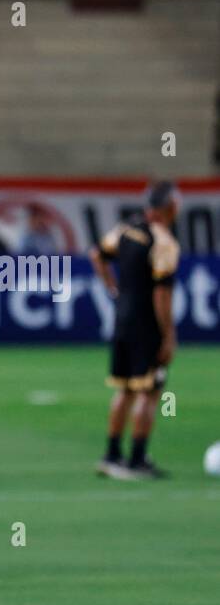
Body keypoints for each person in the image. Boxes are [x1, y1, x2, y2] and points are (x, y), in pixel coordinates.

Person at [90, 180, 180, 480]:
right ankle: (137, 460)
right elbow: (162, 295)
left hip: (122, 318)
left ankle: (111, 455)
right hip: (147, 324)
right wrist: (168, 334)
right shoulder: (164, 242)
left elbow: (97, 255)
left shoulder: (126, 230)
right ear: (171, 207)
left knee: (125, 389)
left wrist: (113, 289)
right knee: (149, 392)